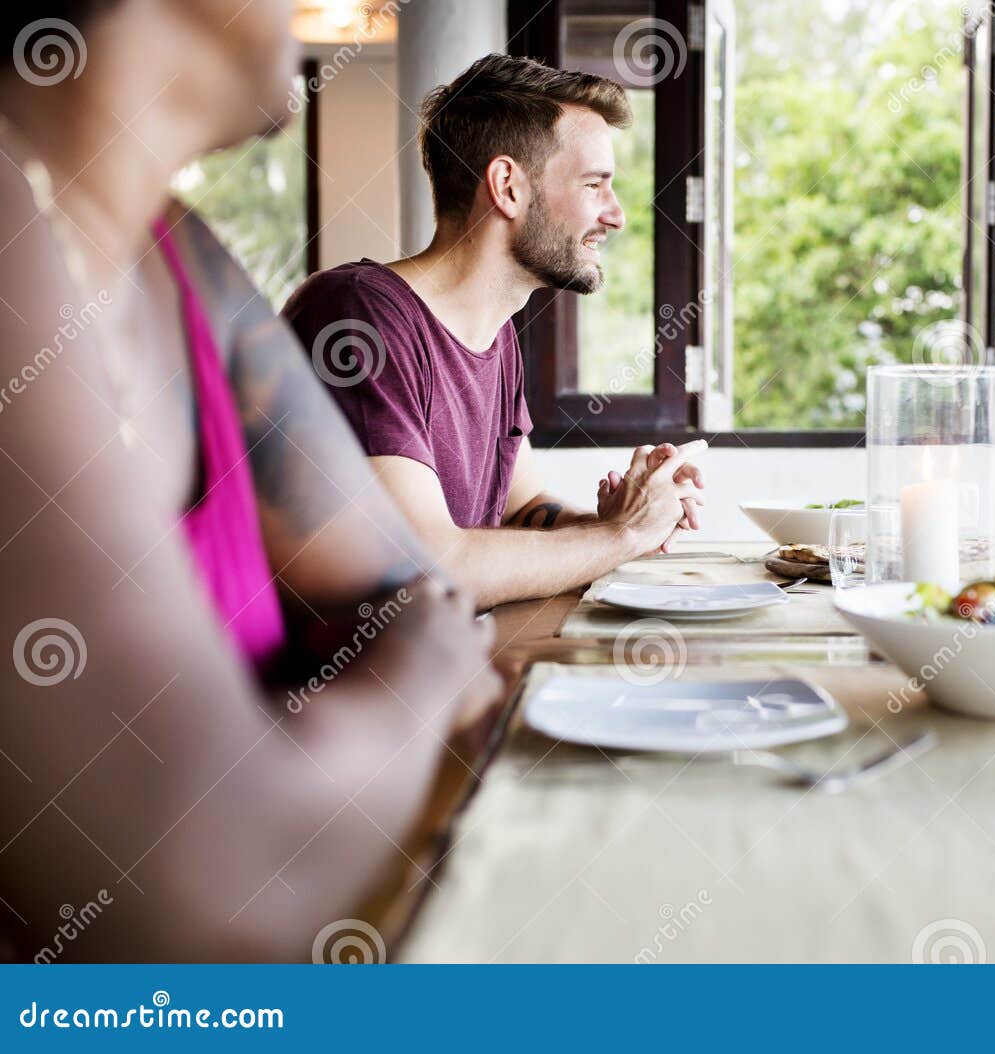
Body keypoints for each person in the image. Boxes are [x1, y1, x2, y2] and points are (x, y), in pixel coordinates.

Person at [0, 1, 498, 961]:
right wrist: (424, 669)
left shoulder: (184, 256)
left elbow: (406, 595)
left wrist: (402, 674)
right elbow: (208, 874)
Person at [283, 54, 704, 610]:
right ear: (507, 186)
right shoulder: (356, 314)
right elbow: (426, 570)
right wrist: (620, 535)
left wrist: (619, 519)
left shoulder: (496, 336)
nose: (616, 215)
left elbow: (521, 508)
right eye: (594, 184)